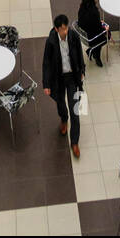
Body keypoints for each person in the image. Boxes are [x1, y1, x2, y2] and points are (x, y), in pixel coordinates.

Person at [42, 14, 85, 158]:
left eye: (66, 28)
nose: (65, 32)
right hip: (58, 78)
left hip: (72, 77)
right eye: (62, 29)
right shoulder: (51, 41)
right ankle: (63, 119)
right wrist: (46, 84)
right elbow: (46, 63)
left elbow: (79, 54)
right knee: (60, 103)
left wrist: (82, 71)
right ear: (56, 29)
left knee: (76, 111)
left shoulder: (73, 36)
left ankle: (75, 141)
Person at [77, 0, 109, 66]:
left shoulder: (83, 6)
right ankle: (96, 55)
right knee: (107, 36)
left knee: (105, 32)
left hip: (85, 32)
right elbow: (98, 29)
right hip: (91, 36)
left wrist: (99, 22)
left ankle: (92, 51)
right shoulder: (94, 12)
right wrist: (105, 28)